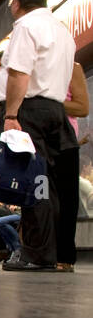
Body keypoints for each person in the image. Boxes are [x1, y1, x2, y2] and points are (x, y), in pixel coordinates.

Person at [0, 0, 77, 273]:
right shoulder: (62, 30)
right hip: (57, 110)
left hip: (31, 110)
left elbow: (20, 73)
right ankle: (59, 255)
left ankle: (35, 254)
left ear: (17, 4)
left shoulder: (25, 26)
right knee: (56, 186)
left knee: (33, 182)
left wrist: (10, 114)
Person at [54, 64, 89, 271]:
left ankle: (64, 256)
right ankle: (34, 251)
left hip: (65, 138)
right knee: (38, 198)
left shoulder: (72, 67)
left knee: (67, 198)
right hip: (36, 137)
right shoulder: (34, 66)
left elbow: (82, 108)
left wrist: (49, 103)